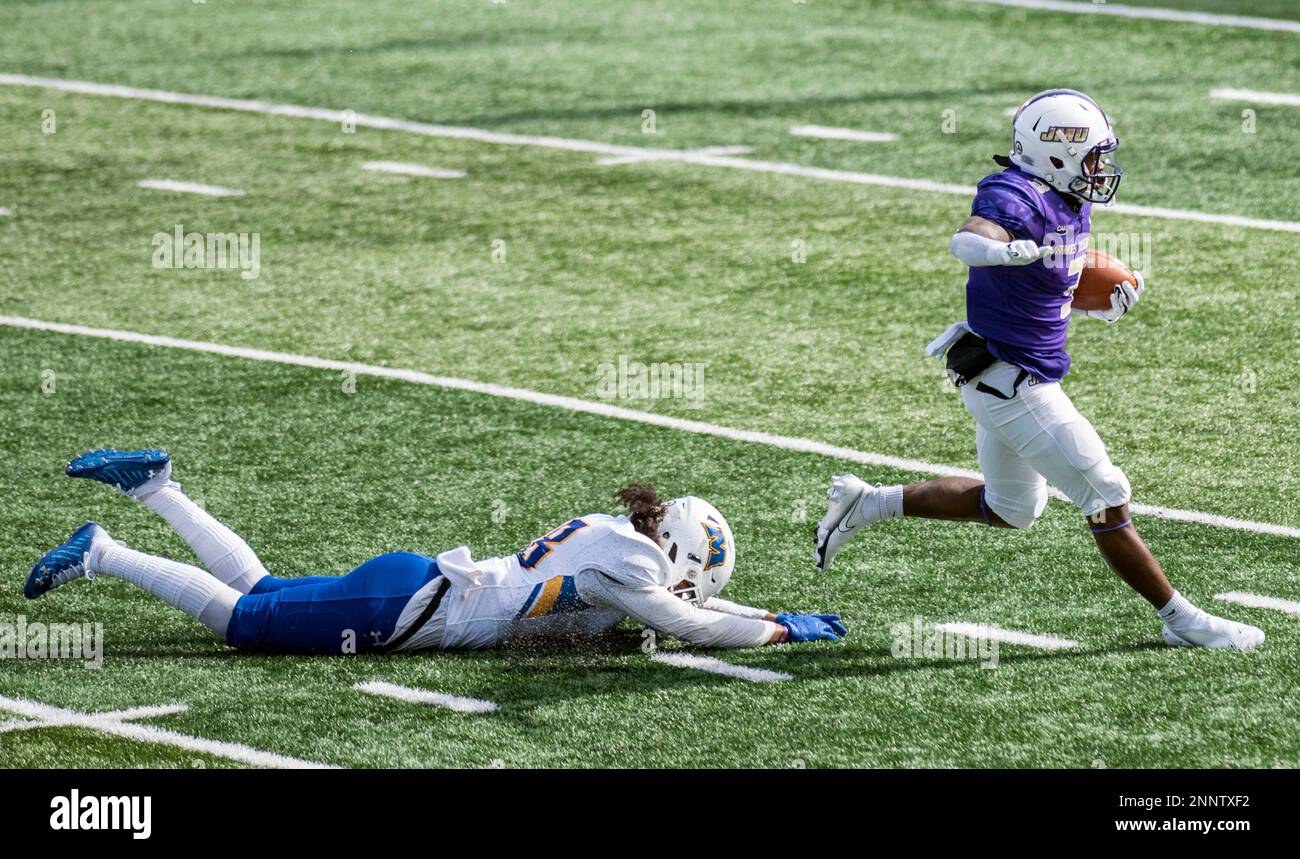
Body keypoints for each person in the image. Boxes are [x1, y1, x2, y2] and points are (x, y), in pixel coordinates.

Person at [813, 89, 1262, 651]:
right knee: (1106, 493)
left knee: (1012, 508)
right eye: (1093, 156)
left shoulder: (1069, 199)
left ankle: (869, 501)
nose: (1101, 169)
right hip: (1014, 383)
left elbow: (1045, 279)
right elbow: (969, 241)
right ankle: (1183, 620)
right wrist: (1001, 251)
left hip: (1000, 376)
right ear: (1058, 152)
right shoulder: (1015, 194)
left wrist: (1089, 297)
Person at [27, 448, 847, 654]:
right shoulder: (632, 565)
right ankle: (105, 551)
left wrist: (769, 612)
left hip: (415, 581)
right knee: (244, 623)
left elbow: (688, 611)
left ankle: (155, 488)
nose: (691, 588)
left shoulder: (618, 541)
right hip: (413, 608)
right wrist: (775, 631)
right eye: (694, 575)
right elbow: (690, 624)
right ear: (676, 550)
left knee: (265, 586)